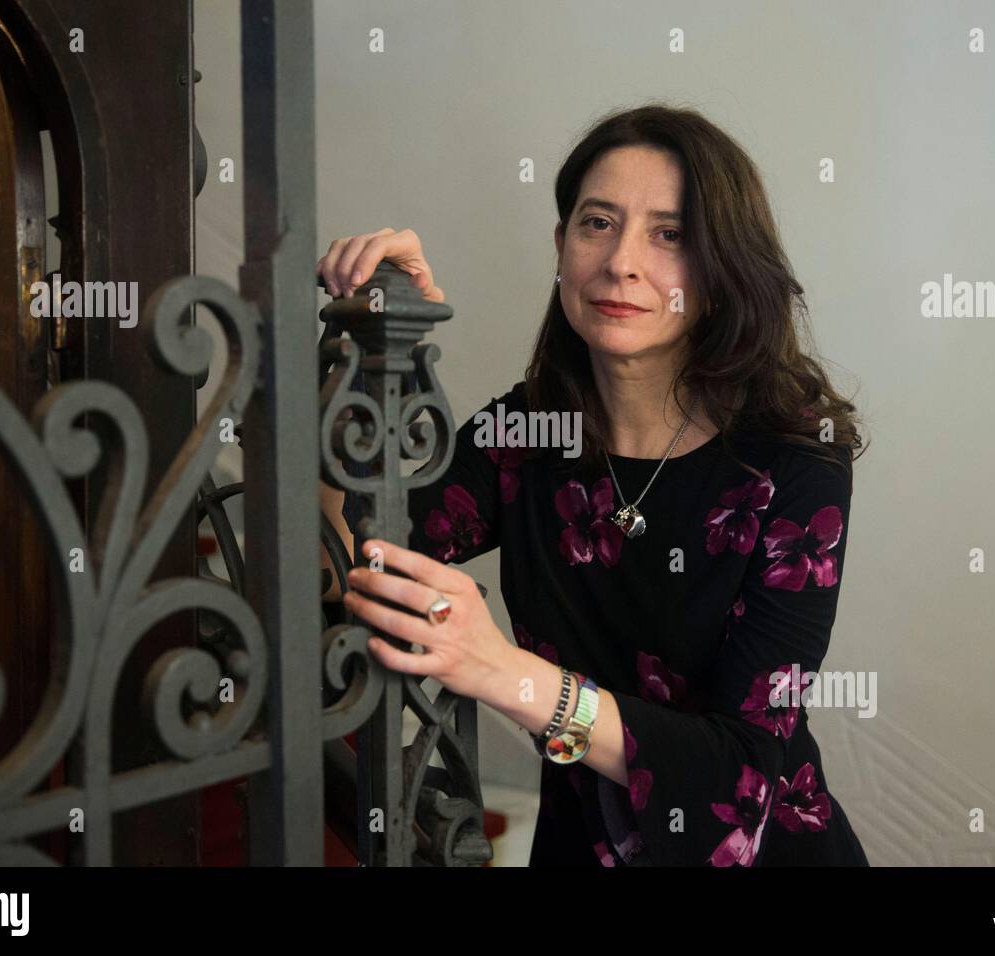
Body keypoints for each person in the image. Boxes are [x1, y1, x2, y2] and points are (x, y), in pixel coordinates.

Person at [318, 103, 870, 866]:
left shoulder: (794, 458)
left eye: (669, 234)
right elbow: (353, 561)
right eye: (597, 223)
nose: (621, 262)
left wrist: (504, 673)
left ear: (722, 267)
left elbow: (738, 772)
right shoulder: (529, 433)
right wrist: (365, 352)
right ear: (561, 245)